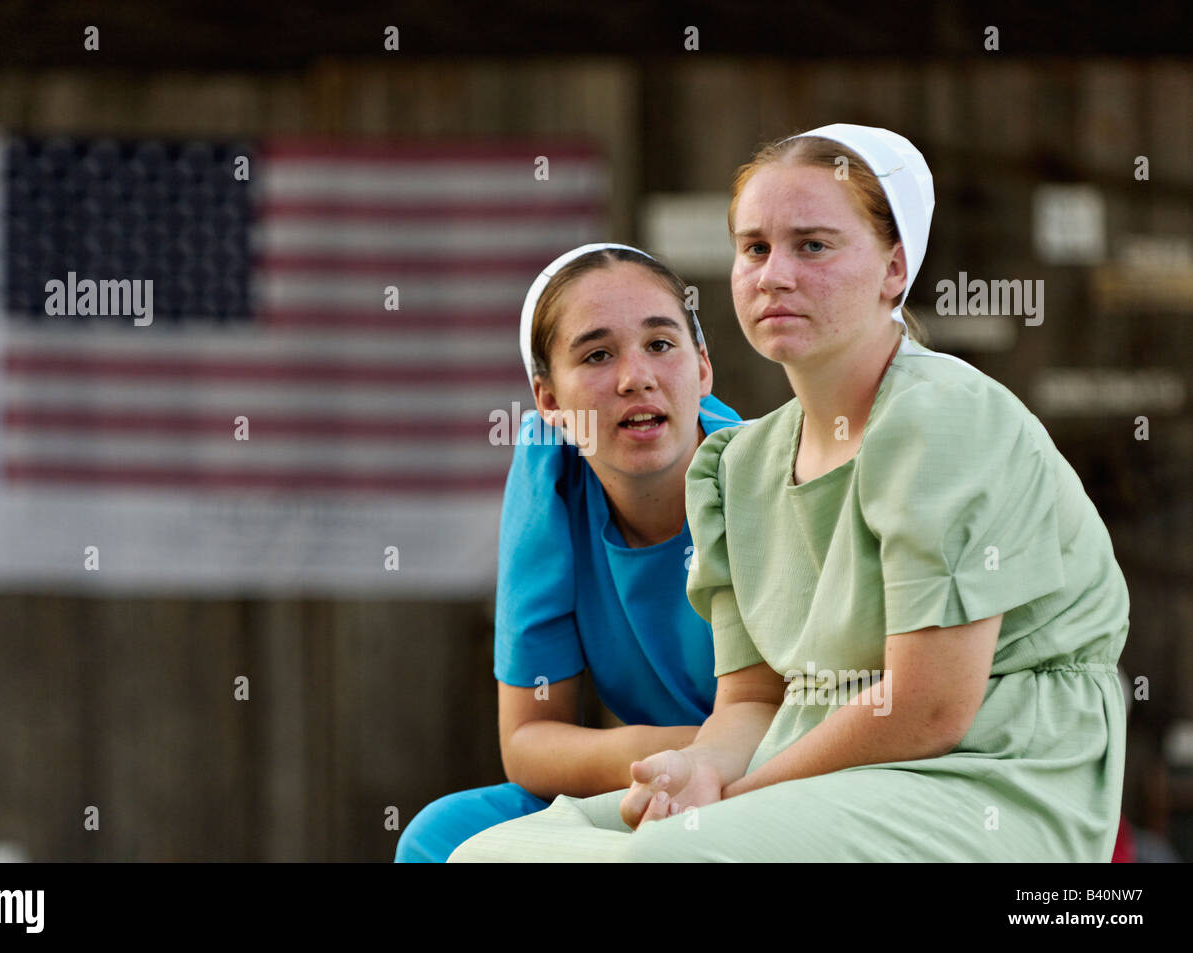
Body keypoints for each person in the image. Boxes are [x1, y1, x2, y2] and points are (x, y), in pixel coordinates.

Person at [448, 124, 1130, 862]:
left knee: (664, 858)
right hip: (818, 768)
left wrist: (735, 800)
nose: (774, 274)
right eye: (754, 248)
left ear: (894, 268)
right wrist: (697, 769)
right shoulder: (739, 466)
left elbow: (928, 706)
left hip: (990, 772)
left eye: (812, 245)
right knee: (492, 854)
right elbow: (753, 703)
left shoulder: (946, 416)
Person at [394, 243, 742, 862]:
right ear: (549, 401)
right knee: (440, 836)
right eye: (598, 354)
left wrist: (708, 759)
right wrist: (666, 758)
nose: (636, 376)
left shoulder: (762, 478)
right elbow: (528, 738)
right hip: (649, 776)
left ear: (703, 368)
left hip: (779, 770)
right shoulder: (548, 485)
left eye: (661, 345)